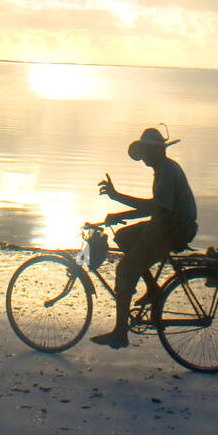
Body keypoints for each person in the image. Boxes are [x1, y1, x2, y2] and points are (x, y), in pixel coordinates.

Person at [91, 127, 198, 350]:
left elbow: (154, 208)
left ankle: (120, 333)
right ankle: (153, 289)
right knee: (123, 236)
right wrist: (118, 204)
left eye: (148, 151)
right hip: (167, 225)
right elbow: (155, 209)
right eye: (144, 151)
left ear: (158, 150)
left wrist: (118, 204)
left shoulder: (166, 171)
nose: (144, 157)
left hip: (173, 230)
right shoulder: (164, 168)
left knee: (124, 270)